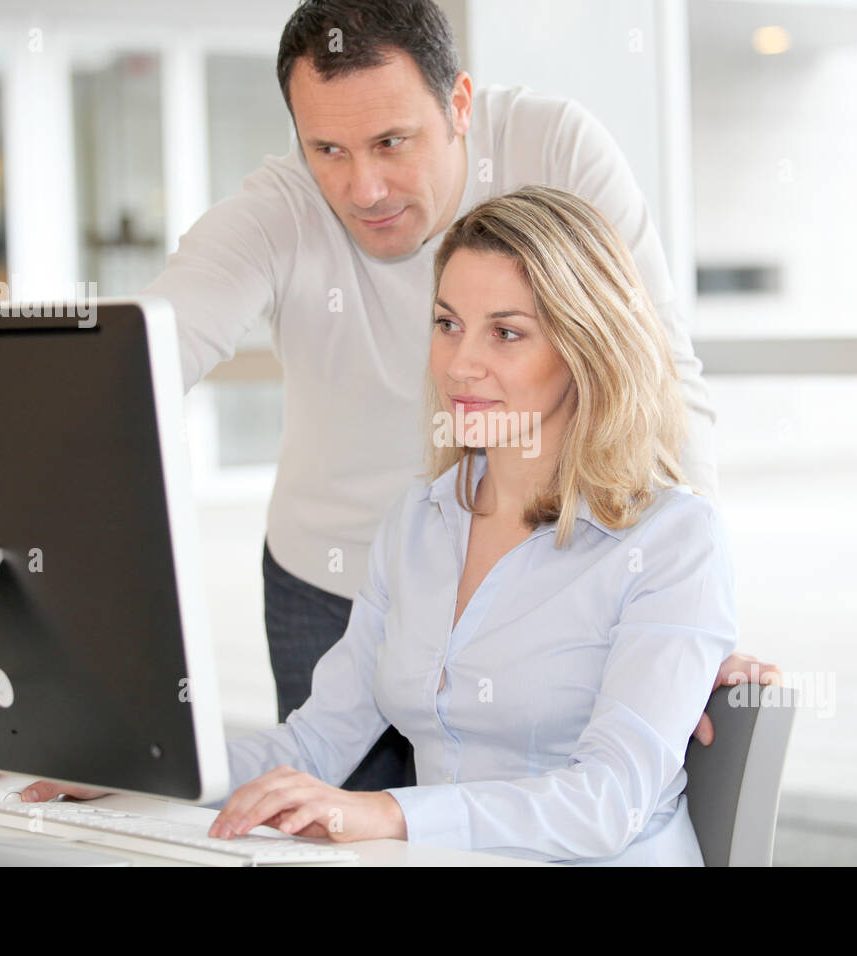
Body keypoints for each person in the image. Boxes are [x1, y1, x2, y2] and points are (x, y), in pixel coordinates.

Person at [140, 0, 766, 792]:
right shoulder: (280, 209)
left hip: (549, 561)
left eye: (391, 143)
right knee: (321, 816)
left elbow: (660, 368)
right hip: (342, 576)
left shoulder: (555, 145)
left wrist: (681, 615)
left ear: (459, 104)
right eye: (325, 148)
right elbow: (155, 345)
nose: (362, 186)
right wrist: (131, 769)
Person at [200, 185, 742, 865]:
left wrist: (389, 812)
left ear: (585, 347)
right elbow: (314, 743)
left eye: (506, 333)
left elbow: (610, 802)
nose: (460, 364)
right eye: (447, 324)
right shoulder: (419, 523)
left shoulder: (672, 540)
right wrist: (137, 776)